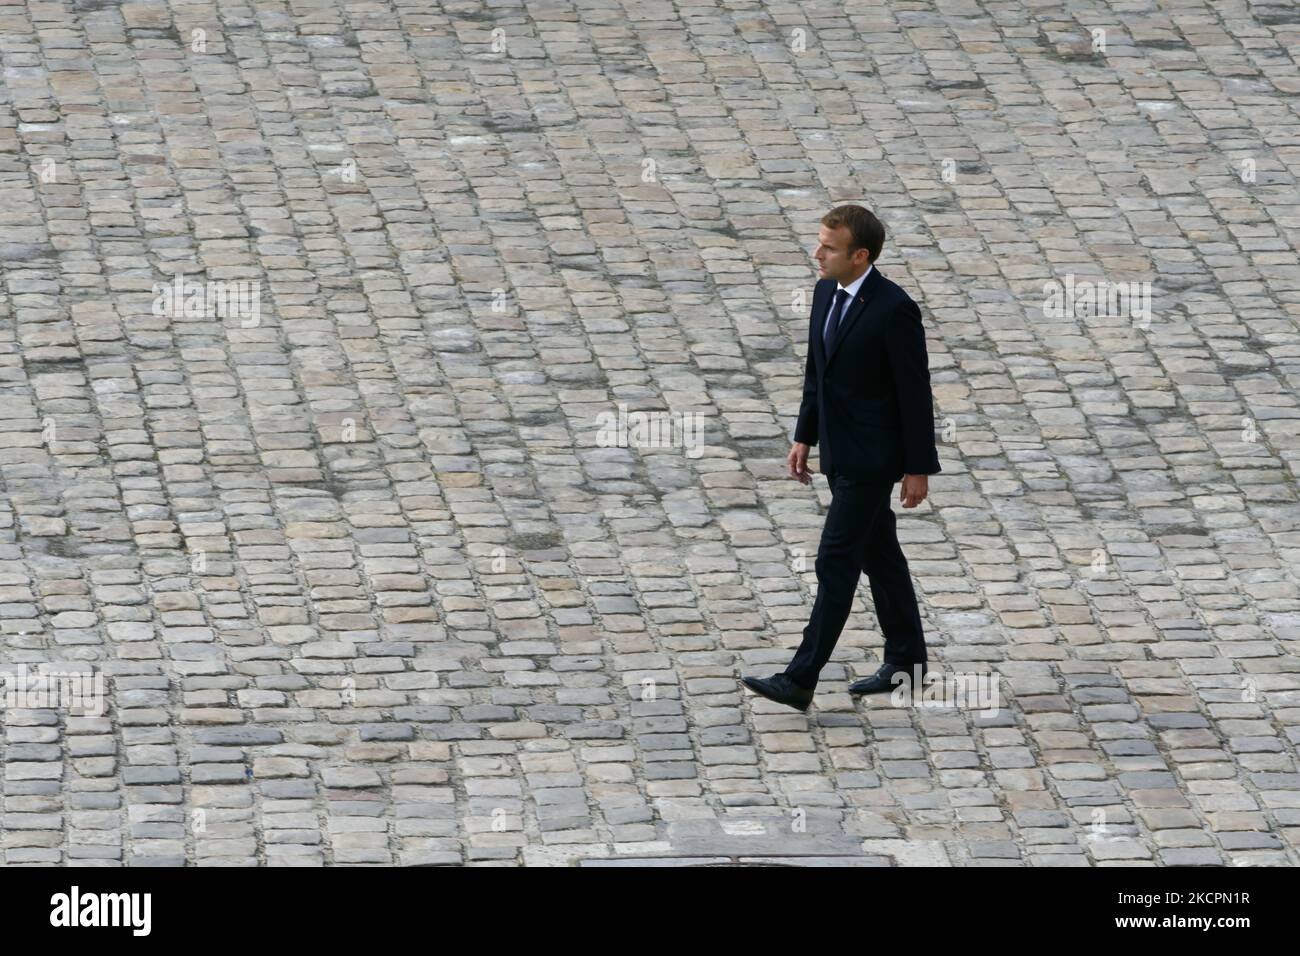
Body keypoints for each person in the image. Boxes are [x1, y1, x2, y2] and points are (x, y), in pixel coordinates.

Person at [743, 205, 942, 711]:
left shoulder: (894, 309)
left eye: (828, 248)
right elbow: (819, 371)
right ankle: (908, 662)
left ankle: (800, 678)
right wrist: (804, 435)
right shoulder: (825, 292)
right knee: (881, 556)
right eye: (819, 243)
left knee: (835, 560)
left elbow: (915, 394)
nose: (817, 254)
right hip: (839, 450)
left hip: (873, 460)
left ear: (860, 255)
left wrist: (917, 467)